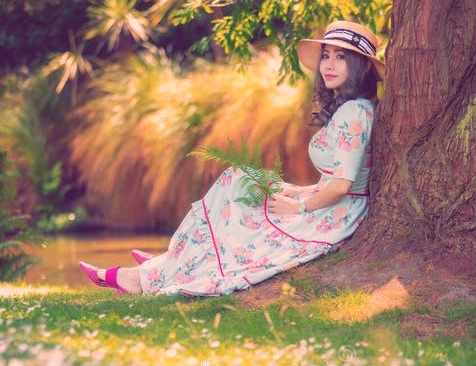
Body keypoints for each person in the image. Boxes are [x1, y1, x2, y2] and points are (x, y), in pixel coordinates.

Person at [79, 20, 385, 296]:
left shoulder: (355, 112)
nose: (329, 64)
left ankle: (149, 274)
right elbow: (335, 179)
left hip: (337, 214)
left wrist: (299, 206)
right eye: (326, 55)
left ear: (360, 65)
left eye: (341, 57)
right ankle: (173, 260)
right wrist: (298, 191)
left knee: (242, 193)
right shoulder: (350, 108)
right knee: (241, 179)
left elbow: (343, 185)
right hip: (328, 202)